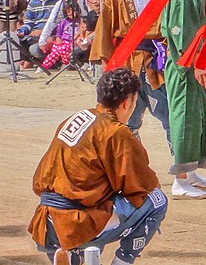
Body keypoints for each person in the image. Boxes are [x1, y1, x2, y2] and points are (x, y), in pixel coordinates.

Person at [29, 67, 168, 265]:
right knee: (157, 199)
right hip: (79, 221)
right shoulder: (116, 132)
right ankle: (121, 261)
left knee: (100, 194)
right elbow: (142, 184)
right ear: (127, 103)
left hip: (46, 220)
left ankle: (72, 254)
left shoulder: (77, 118)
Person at [91, 0, 170, 141]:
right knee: (124, 120)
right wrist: (106, 64)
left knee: (171, 115)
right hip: (126, 61)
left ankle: (184, 171)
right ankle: (126, 163)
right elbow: (105, 32)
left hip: (156, 61)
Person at [160, 0, 206, 198]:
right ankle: (180, 180)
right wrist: (195, 63)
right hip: (185, 64)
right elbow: (181, 32)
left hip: (197, 61)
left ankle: (191, 172)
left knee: (198, 118)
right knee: (184, 118)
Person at [18, 0, 62, 66]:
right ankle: (33, 62)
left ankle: (51, 63)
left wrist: (43, 31)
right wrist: (22, 30)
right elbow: (29, 23)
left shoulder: (60, 0)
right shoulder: (33, 2)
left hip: (51, 35)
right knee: (16, 40)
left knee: (34, 49)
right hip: (34, 34)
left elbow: (61, 23)